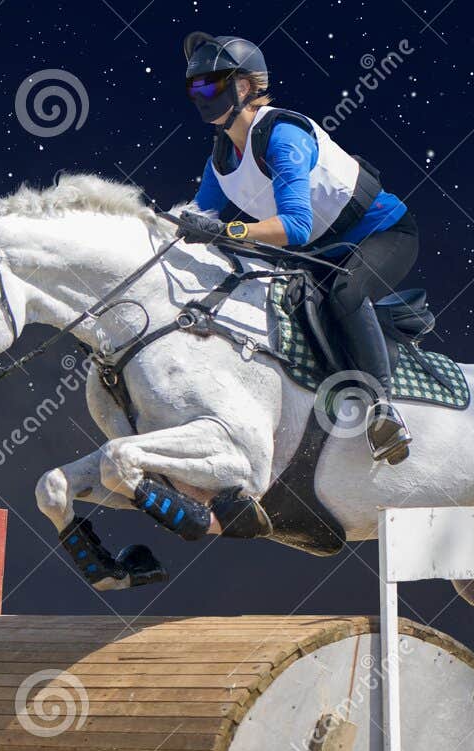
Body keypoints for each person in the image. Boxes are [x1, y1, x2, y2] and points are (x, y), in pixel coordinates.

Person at [175, 31, 418, 464]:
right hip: (320, 253)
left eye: (208, 84)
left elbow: (296, 226)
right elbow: (198, 218)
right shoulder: (221, 158)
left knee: (346, 295)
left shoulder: (283, 136)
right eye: (194, 87)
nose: (199, 95)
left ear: (244, 87)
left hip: (382, 235)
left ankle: (385, 409)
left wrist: (226, 233)